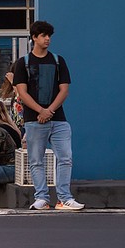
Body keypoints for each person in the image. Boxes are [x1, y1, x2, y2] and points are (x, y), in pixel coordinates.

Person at [12, 20, 84, 211]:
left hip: (58, 119)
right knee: (36, 160)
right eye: (43, 35)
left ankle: (64, 198)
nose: (47, 39)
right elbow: (22, 92)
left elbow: (64, 90)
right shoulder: (23, 63)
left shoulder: (58, 61)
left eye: (49, 36)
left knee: (65, 157)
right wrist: (40, 111)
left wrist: (49, 111)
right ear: (34, 37)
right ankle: (42, 198)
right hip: (34, 120)